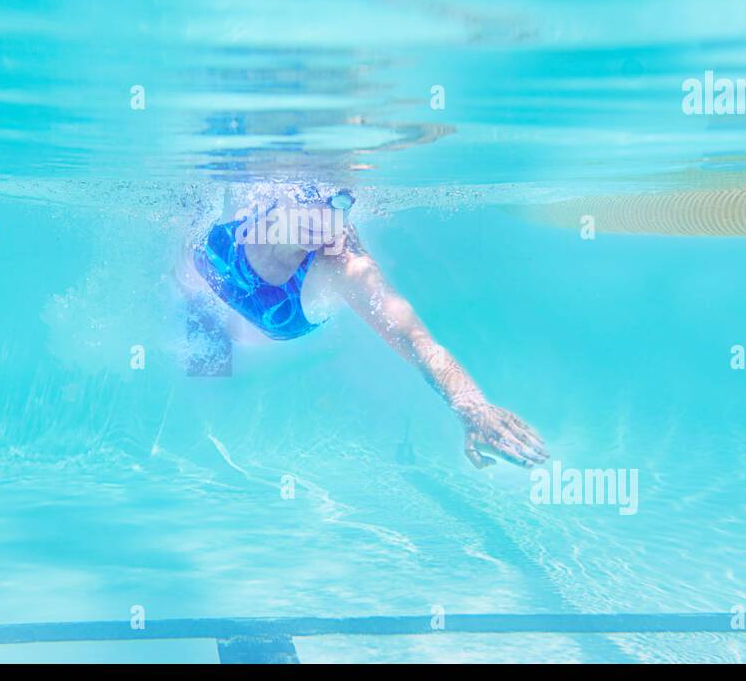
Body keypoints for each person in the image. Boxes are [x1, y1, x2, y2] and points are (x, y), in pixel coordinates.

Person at [177, 184, 549, 469]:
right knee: (191, 289)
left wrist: (473, 407)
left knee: (219, 358)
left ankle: (210, 393)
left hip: (278, 322)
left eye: (338, 203)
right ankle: (202, 383)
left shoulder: (345, 267)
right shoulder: (238, 220)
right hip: (214, 275)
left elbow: (418, 340)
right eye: (312, 198)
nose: (322, 217)